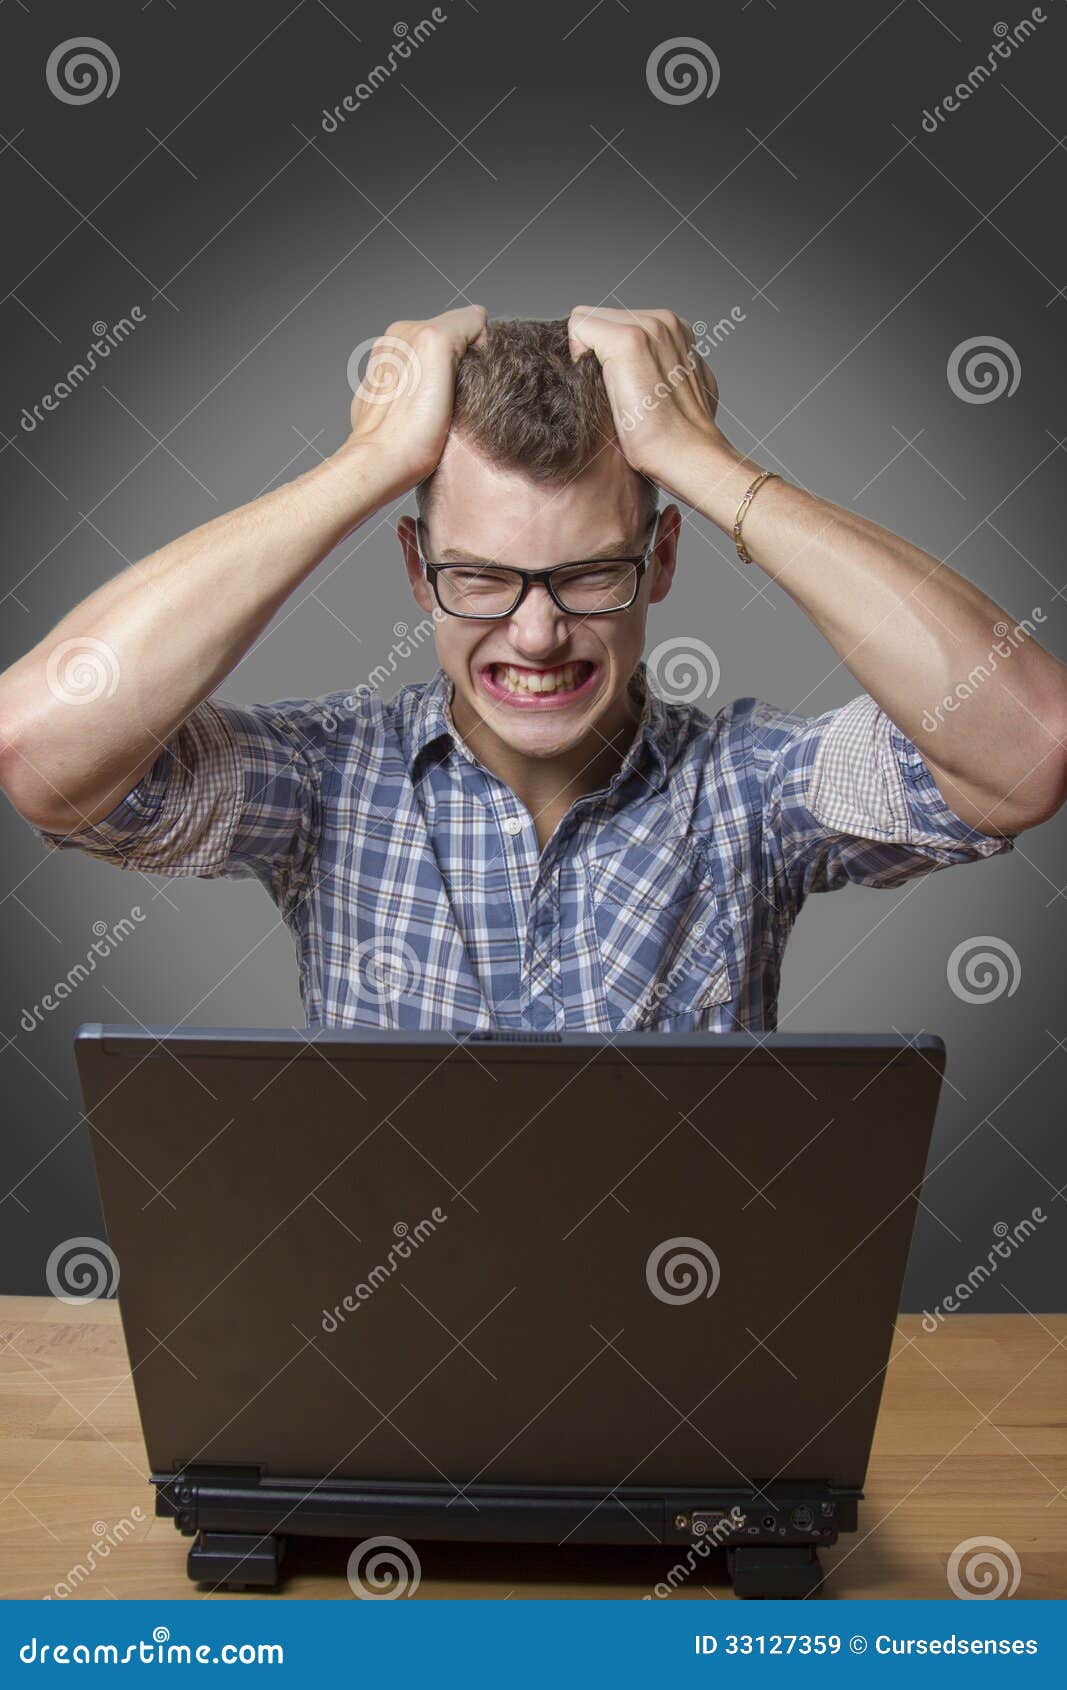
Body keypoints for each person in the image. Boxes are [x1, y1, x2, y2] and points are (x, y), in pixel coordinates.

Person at [1, 305, 1064, 1033]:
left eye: (589, 573)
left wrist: (702, 462)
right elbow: (42, 745)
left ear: (661, 559)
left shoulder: (749, 789)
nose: (538, 634)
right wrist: (365, 467)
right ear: (416, 570)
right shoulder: (327, 783)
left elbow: (1025, 747)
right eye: (480, 577)